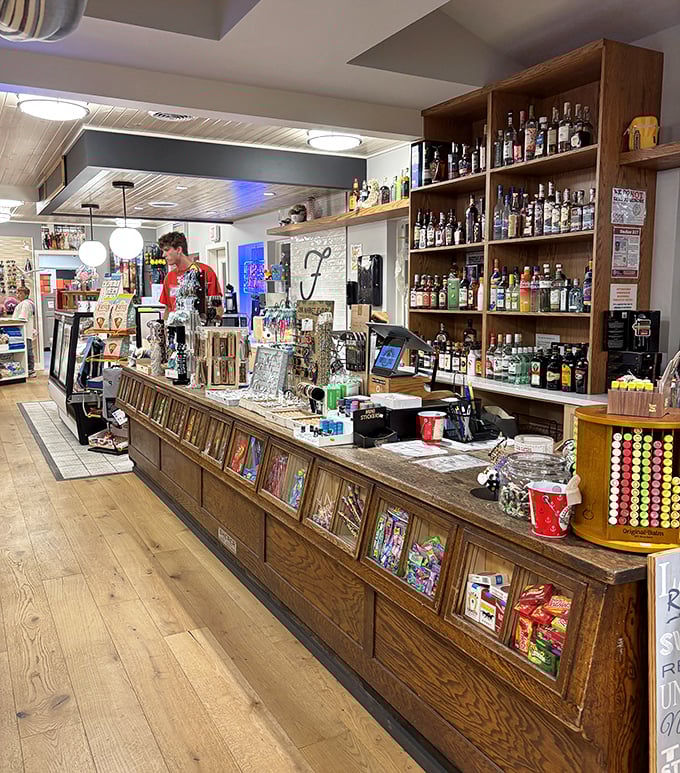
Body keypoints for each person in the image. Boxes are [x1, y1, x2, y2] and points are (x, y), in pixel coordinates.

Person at [158, 232, 222, 320]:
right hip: (176, 329)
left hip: (201, 328)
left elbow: (218, 307)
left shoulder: (205, 271)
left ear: (179, 250)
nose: (163, 255)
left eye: (166, 250)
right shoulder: (169, 277)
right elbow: (168, 309)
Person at [12, 285, 36, 377]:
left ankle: (31, 370)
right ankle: (29, 369)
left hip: (25, 330)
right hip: (25, 330)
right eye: (17, 293)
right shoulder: (26, 303)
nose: (18, 295)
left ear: (26, 294)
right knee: (28, 349)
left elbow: (22, 318)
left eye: (20, 293)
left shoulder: (25, 304)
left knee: (28, 350)